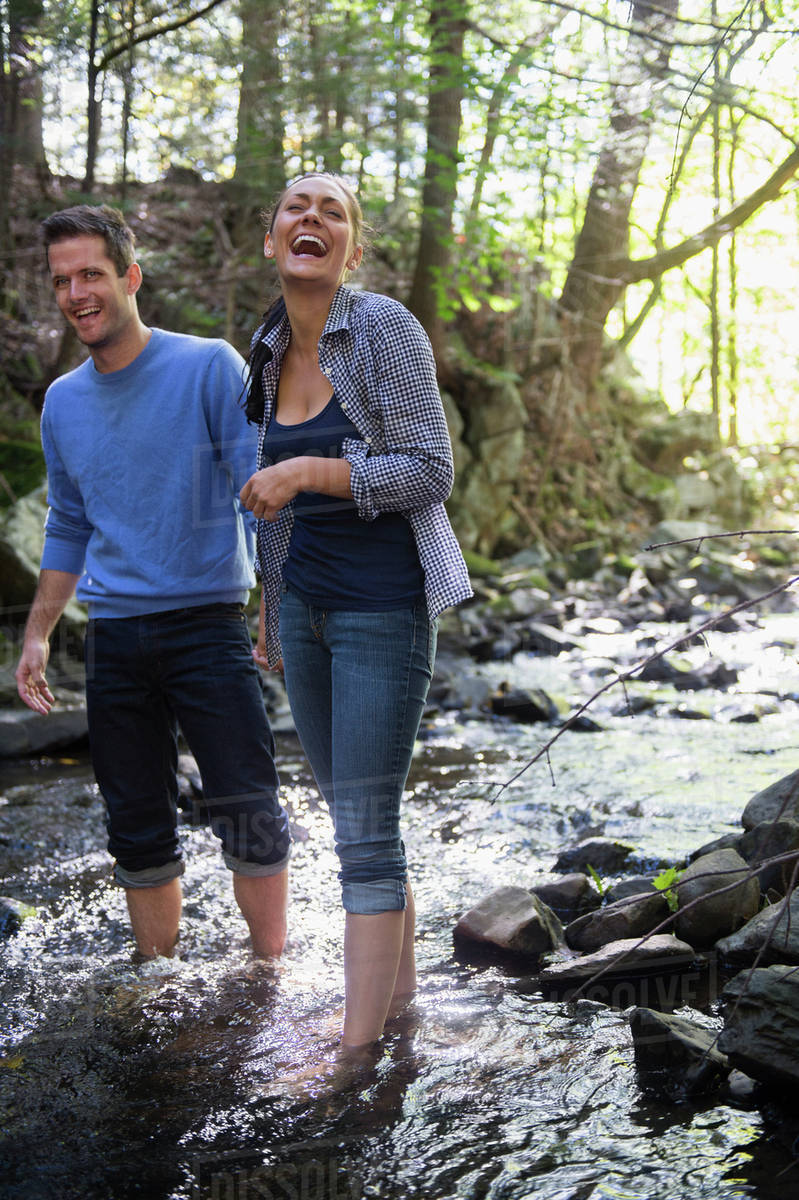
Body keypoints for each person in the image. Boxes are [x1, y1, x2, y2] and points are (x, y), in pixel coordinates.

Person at [15, 204, 291, 962]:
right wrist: (38, 632)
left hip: (208, 627)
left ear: (130, 277)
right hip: (114, 638)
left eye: (91, 275)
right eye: (62, 280)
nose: (76, 293)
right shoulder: (63, 402)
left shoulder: (207, 365)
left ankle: (268, 971)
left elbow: (258, 491)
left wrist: (275, 604)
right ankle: (159, 979)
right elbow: (67, 524)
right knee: (136, 822)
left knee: (247, 808)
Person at [239, 173, 472, 1051]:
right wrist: (272, 602)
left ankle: (353, 1053)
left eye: (331, 211)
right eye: (295, 208)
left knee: (366, 838)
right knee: (357, 824)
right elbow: (267, 500)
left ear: (352, 248)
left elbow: (428, 471)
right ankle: (399, 1015)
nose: (311, 219)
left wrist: (309, 472)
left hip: (384, 609)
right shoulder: (263, 346)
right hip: (304, 610)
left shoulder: (382, 329)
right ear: (272, 242)